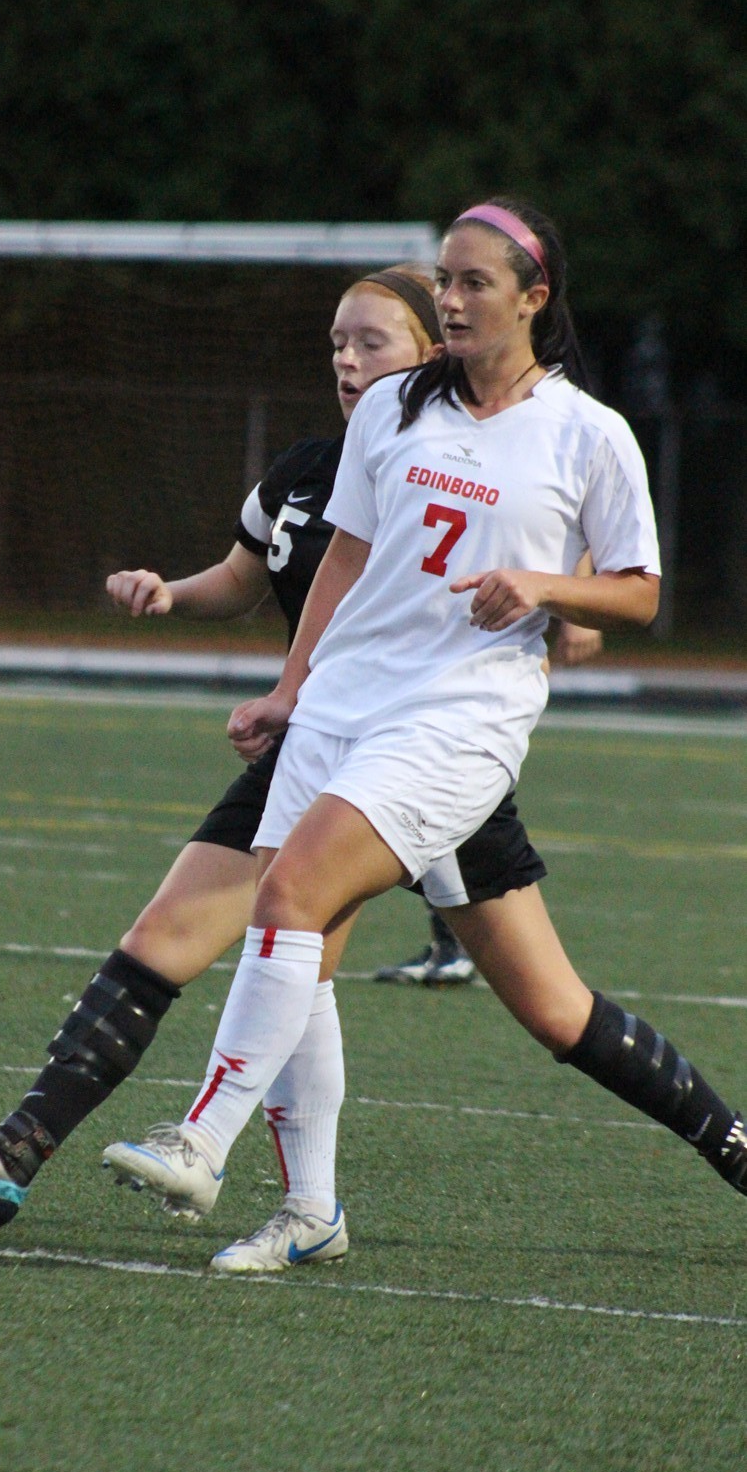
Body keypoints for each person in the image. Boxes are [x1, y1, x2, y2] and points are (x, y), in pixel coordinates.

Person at [104, 196, 747, 1273]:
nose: (447, 299)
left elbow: (635, 596)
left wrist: (540, 587)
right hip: (343, 708)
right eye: (442, 279)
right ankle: (310, 1210)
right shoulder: (394, 407)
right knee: (353, 965)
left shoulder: (589, 434)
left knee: (288, 898)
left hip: (455, 727)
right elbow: (343, 562)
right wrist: (287, 691)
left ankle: (201, 1139)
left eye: (472, 282)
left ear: (533, 298)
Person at [0, 263, 448, 1226]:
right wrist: (169, 591)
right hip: (305, 745)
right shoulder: (309, 470)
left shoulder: (456, 475)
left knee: (545, 1010)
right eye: (336, 345)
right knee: (182, 945)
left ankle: (259, 1181)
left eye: (373, 343)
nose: (348, 362)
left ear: (433, 354)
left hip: (395, 759)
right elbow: (240, 578)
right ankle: (15, 1155)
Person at [374, 606, 603, 985]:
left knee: (448, 798)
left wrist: (580, 614)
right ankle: (454, 945)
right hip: (421, 650)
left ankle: (457, 946)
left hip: (471, 661)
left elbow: (586, 550)